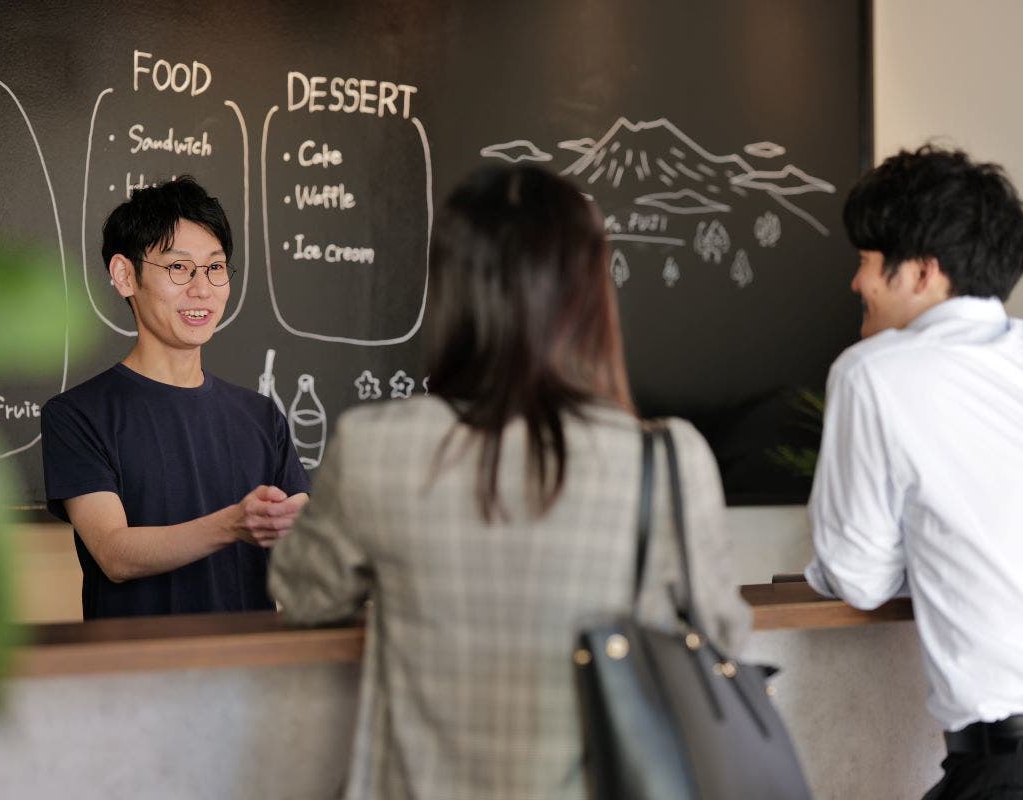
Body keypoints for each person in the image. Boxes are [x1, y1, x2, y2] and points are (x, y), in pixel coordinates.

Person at [269, 164, 750, 799]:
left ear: (451, 291)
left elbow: (301, 596)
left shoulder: (374, 446)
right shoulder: (666, 459)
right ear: (591, 295)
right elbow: (723, 643)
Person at [805, 145, 1023, 797]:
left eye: (866, 261)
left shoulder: (875, 373)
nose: (856, 283)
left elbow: (860, 581)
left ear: (922, 272)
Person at [41, 176, 309, 619]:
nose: (201, 289)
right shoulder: (77, 416)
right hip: (139, 677)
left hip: (254, 673)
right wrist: (232, 524)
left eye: (216, 267)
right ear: (125, 275)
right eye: (179, 268)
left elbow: (304, 539)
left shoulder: (261, 417)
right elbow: (115, 554)